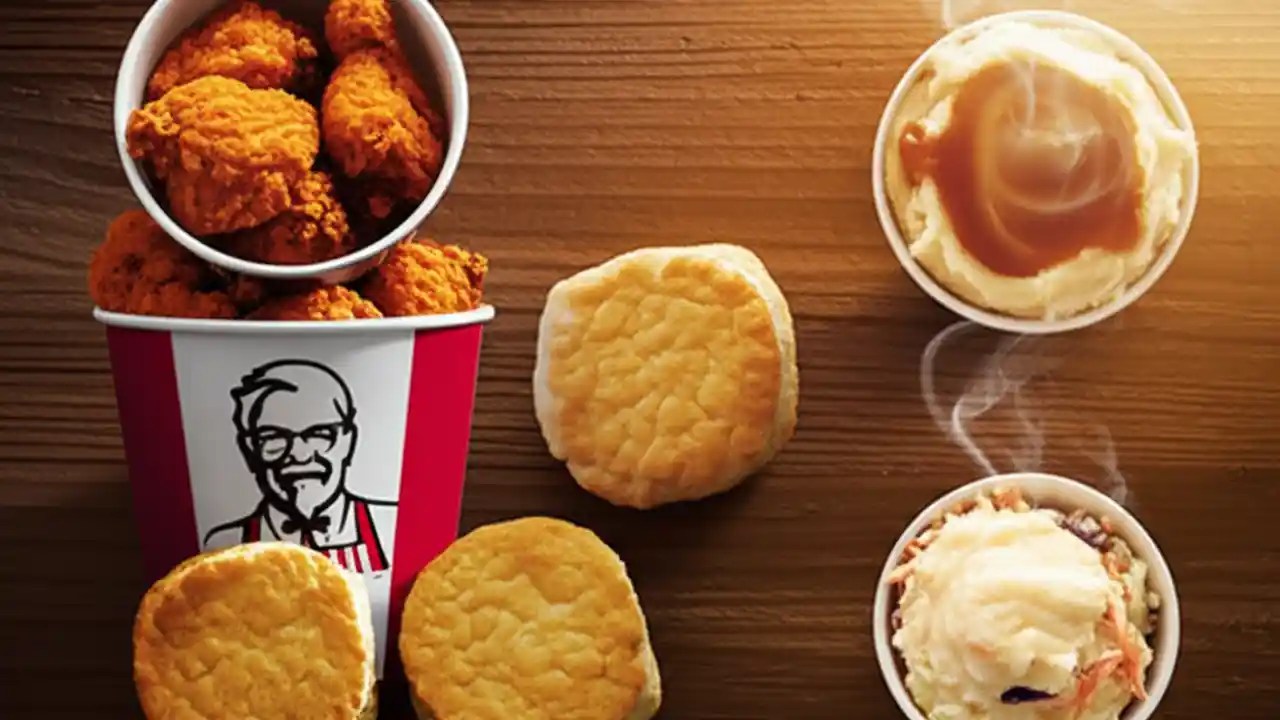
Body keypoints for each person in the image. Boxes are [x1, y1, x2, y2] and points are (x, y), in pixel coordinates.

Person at [203, 359, 393, 573]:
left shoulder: (392, 524)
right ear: (249, 450)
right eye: (274, 437)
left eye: (319, 434)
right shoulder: (225, 545)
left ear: (348, 441)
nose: (300, 455)